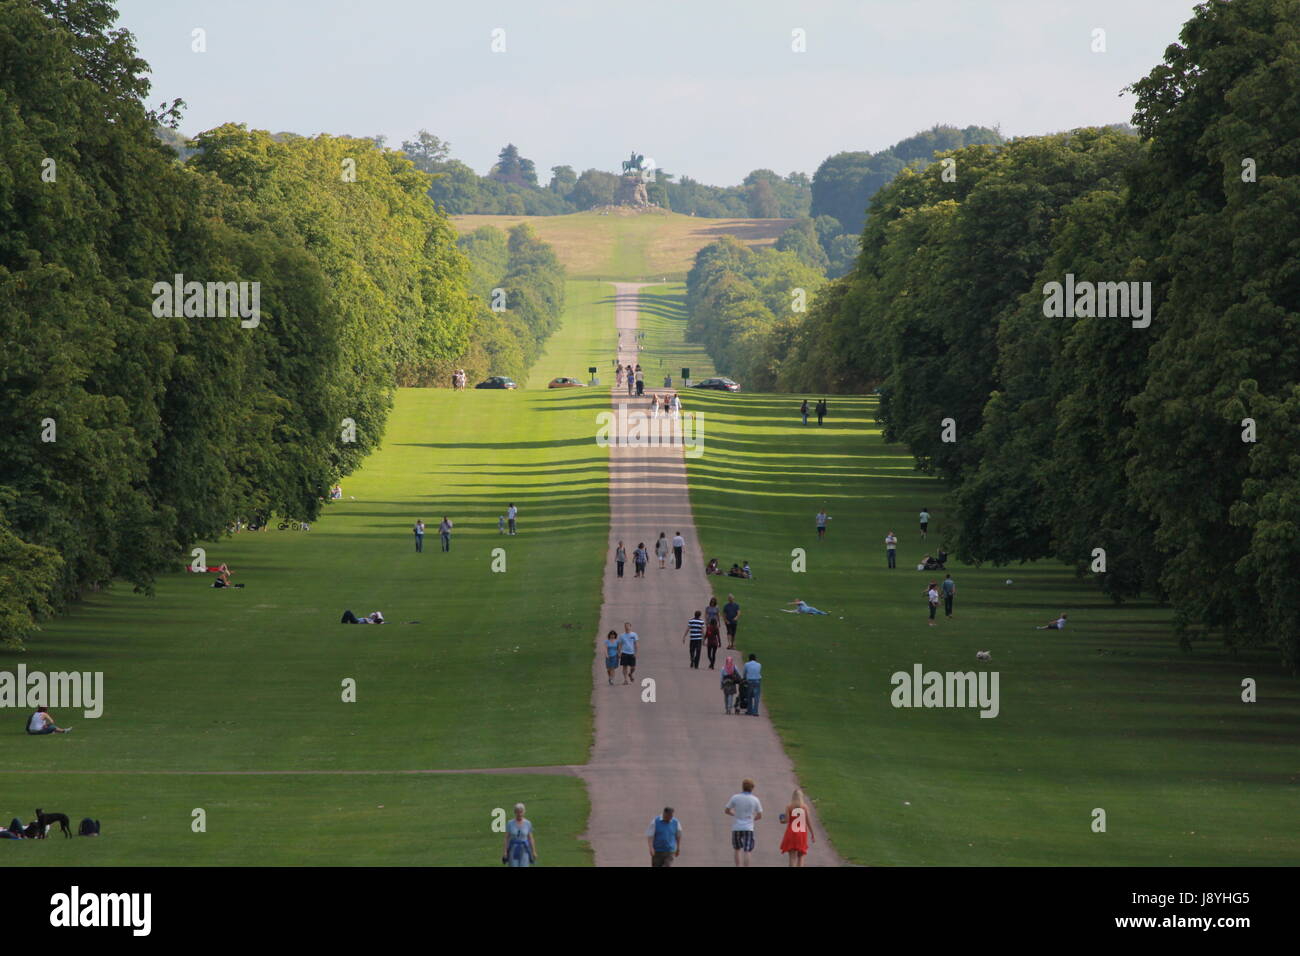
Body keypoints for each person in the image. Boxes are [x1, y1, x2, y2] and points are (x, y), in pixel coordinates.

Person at [724, 779, 763, 866]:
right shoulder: (755, 799)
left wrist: (734, 814)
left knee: (737, 848)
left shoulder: (735, 797)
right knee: (747, 850)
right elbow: (760, 815)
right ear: (752, 788)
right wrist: (753, 819)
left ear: (742, 787)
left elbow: (727, 810)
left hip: (737, 827)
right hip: (748, 827)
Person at [779, 789, 817, 867]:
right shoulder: (805, 807)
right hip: (802, 834)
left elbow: (787, 820)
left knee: (792, 857)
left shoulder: (789, 807)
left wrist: (782, 820)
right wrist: (812, 833)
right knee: (801, 856)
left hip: (791, 833)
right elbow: (808, 821)